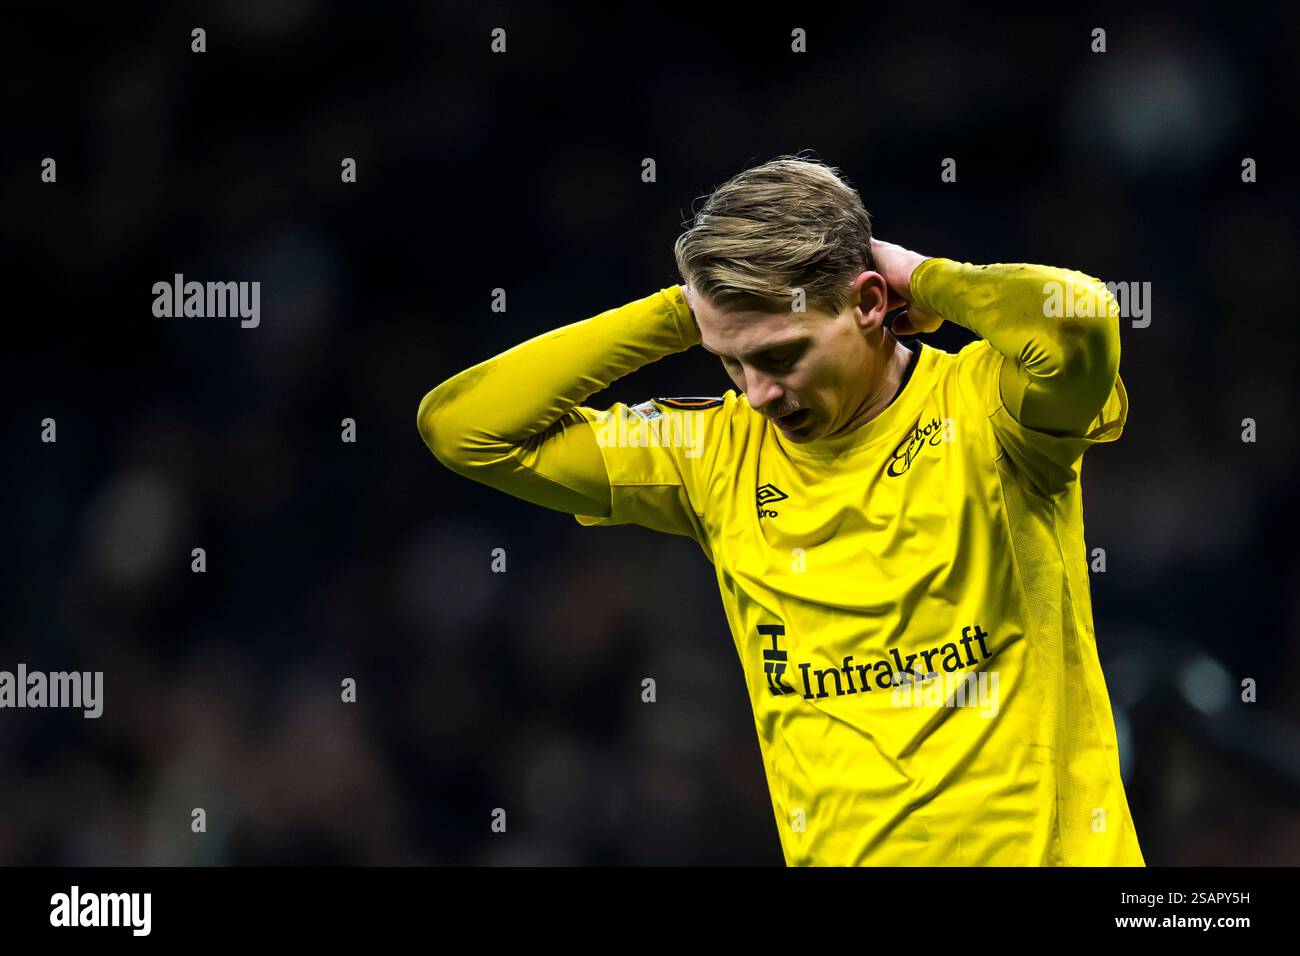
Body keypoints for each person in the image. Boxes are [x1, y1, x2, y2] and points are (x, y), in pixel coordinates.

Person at [417, 155, 1144, 866]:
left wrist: (924, 277)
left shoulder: (990, 408)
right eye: (732, 361)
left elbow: (1079, 321)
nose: (758, 393)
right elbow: (466, 430)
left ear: (867, 303)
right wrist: (682, 312)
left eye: (783, 354)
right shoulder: (712, 453)